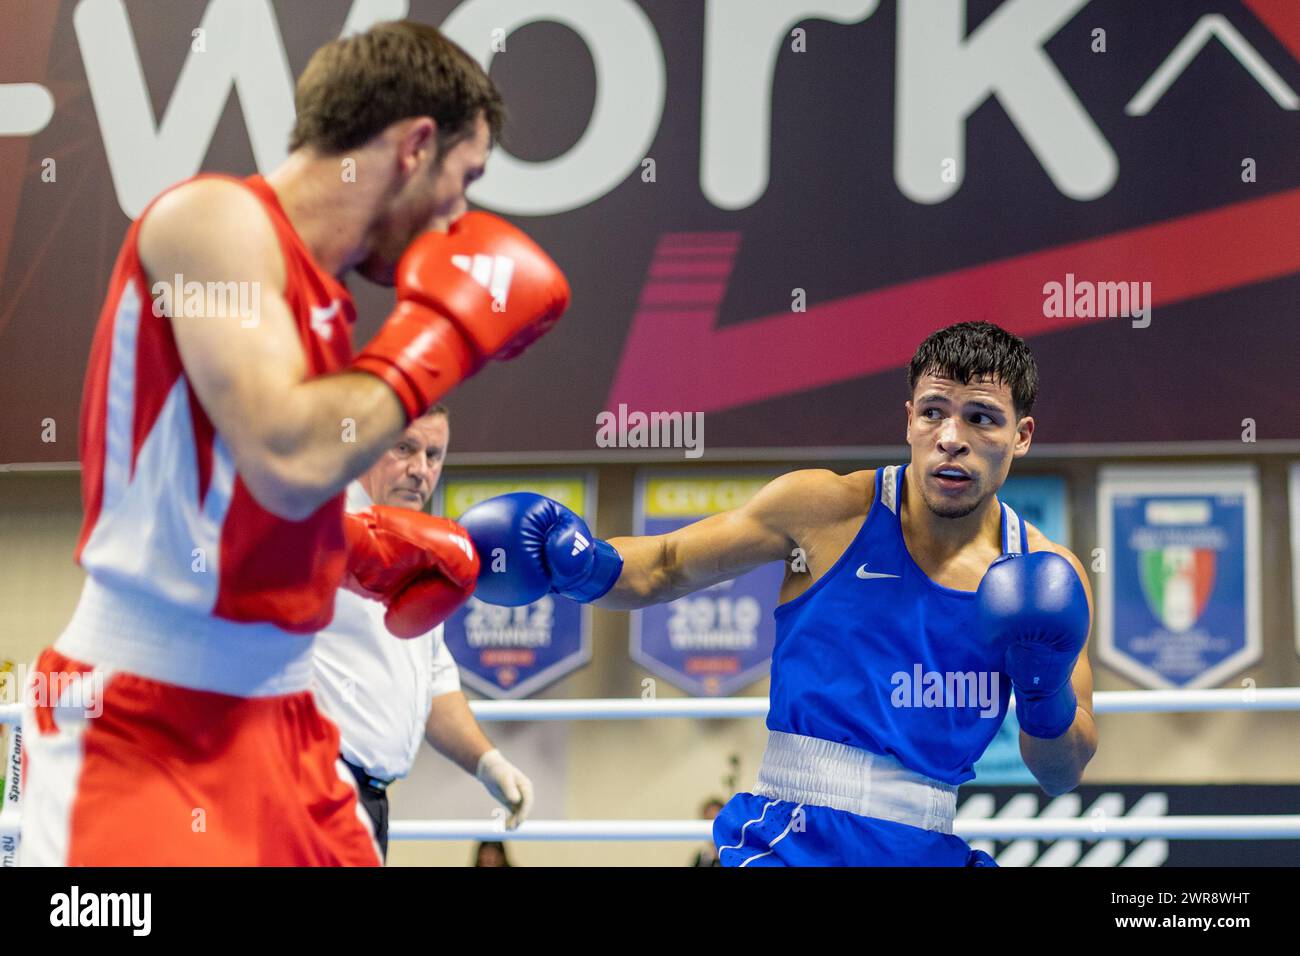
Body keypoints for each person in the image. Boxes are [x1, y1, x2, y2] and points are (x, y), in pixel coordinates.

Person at [21, 20, 568, 866]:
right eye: (464, 181)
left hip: (283, 730)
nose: (461, 217)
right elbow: (286, 455)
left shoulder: (323, 311)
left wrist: (353, 549)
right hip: (144, 724)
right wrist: (445, 337)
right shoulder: (213, 221)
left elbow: (236, 496)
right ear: (416, 145)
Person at [456, 321, 1097, 867]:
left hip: (929, 841)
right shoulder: (826, 510)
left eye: (981, 418)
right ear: (909, 420)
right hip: (796, 834)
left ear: (1022, 435)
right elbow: (667, 565)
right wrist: (581, 564)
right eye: (934, 411)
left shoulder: (1046, 573)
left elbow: (1062, 771)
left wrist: (1044, 686)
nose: (951, 437)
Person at [312, 405, 533, 861]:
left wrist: (487, 762)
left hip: (370, 798)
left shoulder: (426, 552)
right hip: (315, 787)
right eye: (404, 448)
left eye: (434, 455)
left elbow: (433, 681)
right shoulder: (318, 527)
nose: (420, 470)